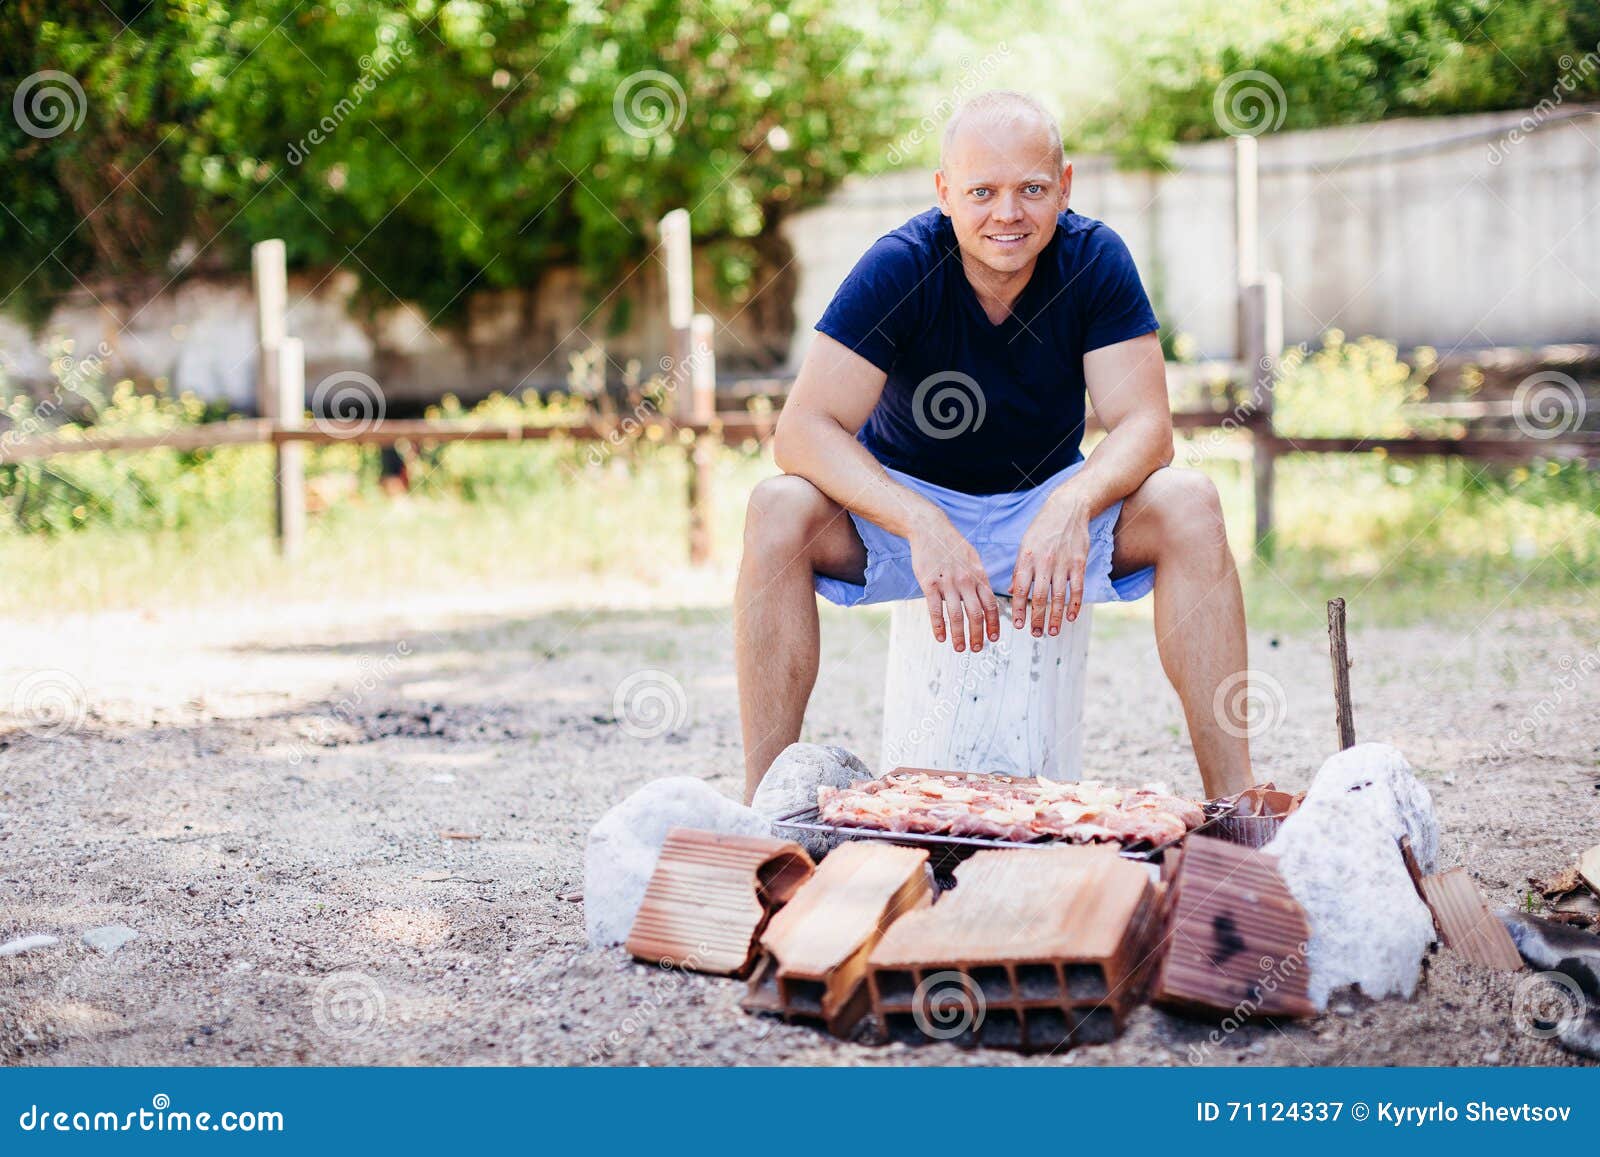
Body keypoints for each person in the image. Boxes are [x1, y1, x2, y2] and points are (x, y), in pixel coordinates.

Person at [735, 90, 1255, 803]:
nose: (1007, 213)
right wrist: (920, 521)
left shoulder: (1094, 259)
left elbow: (1146, 425)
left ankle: (1235, 801)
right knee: (776, 508)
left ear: (1064, 186)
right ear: (945, 192)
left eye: (1031, 190)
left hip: (1046, 501)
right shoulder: (899, 264)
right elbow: (801, 431)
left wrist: (1074, 502)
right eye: (982, 191)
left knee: (1191, 501)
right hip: (907, 509)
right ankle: (764, 806)